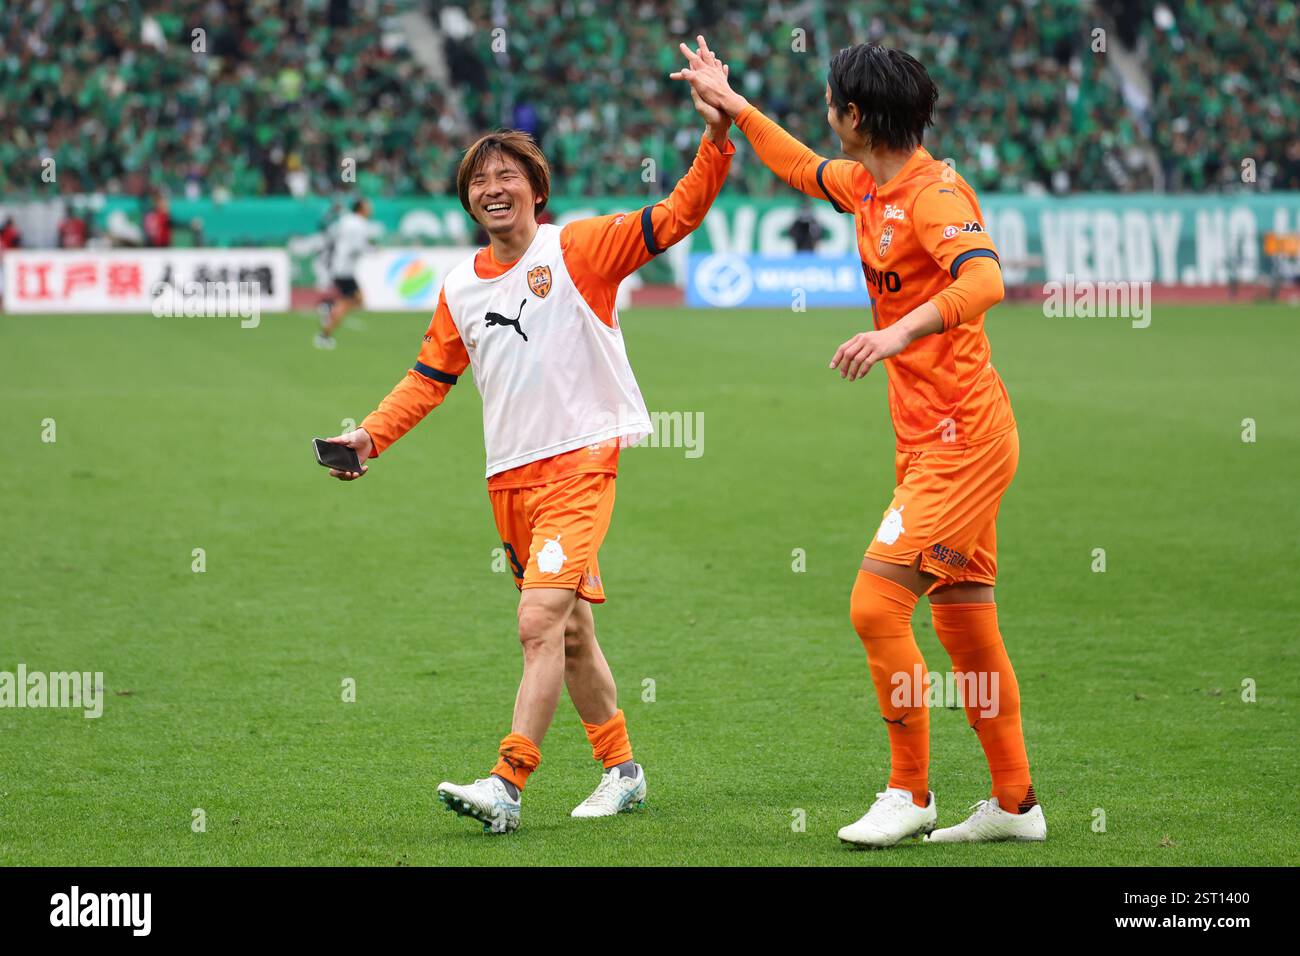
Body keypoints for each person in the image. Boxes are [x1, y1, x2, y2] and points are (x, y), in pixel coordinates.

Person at [322, 83, 734, 834]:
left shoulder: (576, 248)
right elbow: (428, 379)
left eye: (506, 175)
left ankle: (507, 784)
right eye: (478, 181)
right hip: (509, 480)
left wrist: (717, 137)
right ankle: (623, 772)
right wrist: (368, 437)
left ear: (537, 190)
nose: (492, 188)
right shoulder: (457, 286)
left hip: (580, 463)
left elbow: (675, 216)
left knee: (538, 621)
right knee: (571, 632)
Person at [675, 38, 1044, 847]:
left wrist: (895, 334)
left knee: (875, 605)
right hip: (931, 439)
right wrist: (732, 106)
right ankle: (1016, 805)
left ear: (857, 114)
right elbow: (802, 167)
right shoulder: (872, 187)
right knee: (964, 623)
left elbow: (985, 281)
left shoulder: (934, 197)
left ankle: (909, 793)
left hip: (965, 442)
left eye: (833, 101)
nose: (827, 114)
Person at [316, 197, 377, 349]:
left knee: (355, 299)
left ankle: (329, 310)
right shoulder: (360, 224)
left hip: (339, 265)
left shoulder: (347, 220)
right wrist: (372, 250)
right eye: (367, 205)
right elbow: (358, 247)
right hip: (345, 269)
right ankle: (326, 325)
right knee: (356, 300)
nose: (370, 208)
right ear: (361, 208)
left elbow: (333, 231)